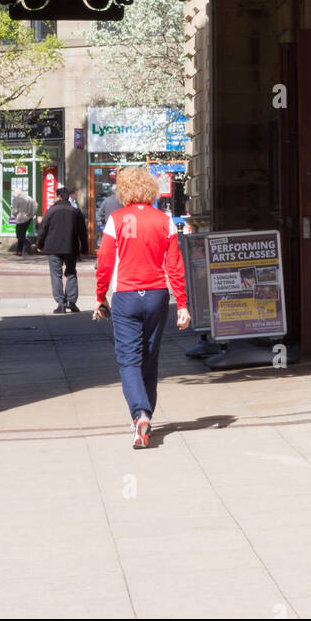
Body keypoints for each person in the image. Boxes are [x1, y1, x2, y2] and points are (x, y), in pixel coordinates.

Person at [94, 165, 190, 449]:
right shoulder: (165, 220)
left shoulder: (116, 219)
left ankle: (139, 413)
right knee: (150, 358)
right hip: (157, 295)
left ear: (123, 191)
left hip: (126, 294)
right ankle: (145, 418)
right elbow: (175, 266)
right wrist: (182, 304)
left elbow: (105, 262)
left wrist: (100, 296)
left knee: (128, 359)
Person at [34, 184, 87, 313]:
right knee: (71, 273)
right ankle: (72, 301)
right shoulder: (75, 212)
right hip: (71, 247)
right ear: (68, 197)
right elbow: (83, 232)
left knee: (56, 275)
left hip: (53, 248)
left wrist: (39, 245)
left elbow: (43, 230)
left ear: (58, 197)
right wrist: (83, 250)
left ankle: (60, 303)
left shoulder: (51, 211)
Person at [11, 188, 37, 256]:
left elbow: (14, 210)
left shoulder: (16, 199)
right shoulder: (29, 198)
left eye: (14, 193)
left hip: (20, 219)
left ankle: (30, 245)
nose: (13, 194)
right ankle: (19, 252)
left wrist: (15, 215)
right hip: (28, 219)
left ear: (17, 193)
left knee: (19, 235)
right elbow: (36, 205)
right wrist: (32, 215)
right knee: (22, 235)